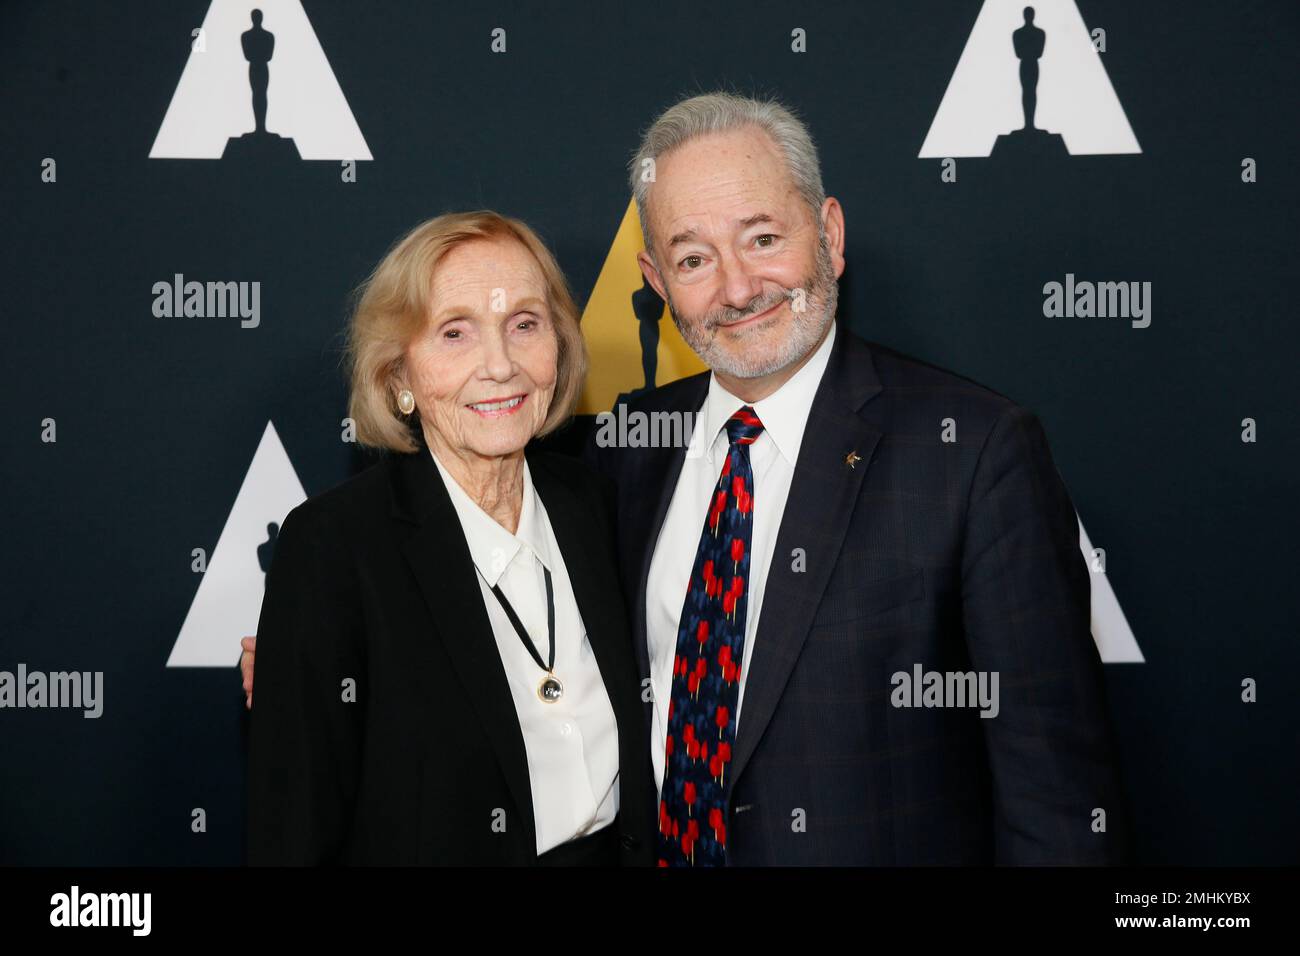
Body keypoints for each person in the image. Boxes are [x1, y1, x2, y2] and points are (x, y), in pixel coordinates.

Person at [587, 92, 1128, 865]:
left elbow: (1059, 805)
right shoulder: (625, 448)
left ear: (830, 234)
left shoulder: (975, 453)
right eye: (694, 258)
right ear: (657, 280)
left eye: (764, 238)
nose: (738, 289)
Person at [245, 211, 653, 866]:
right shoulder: (334, 549)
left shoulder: (597, 505)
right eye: (455, 333)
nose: (500, 365)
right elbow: (294, 830)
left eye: (524, 324)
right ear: (399, 376)